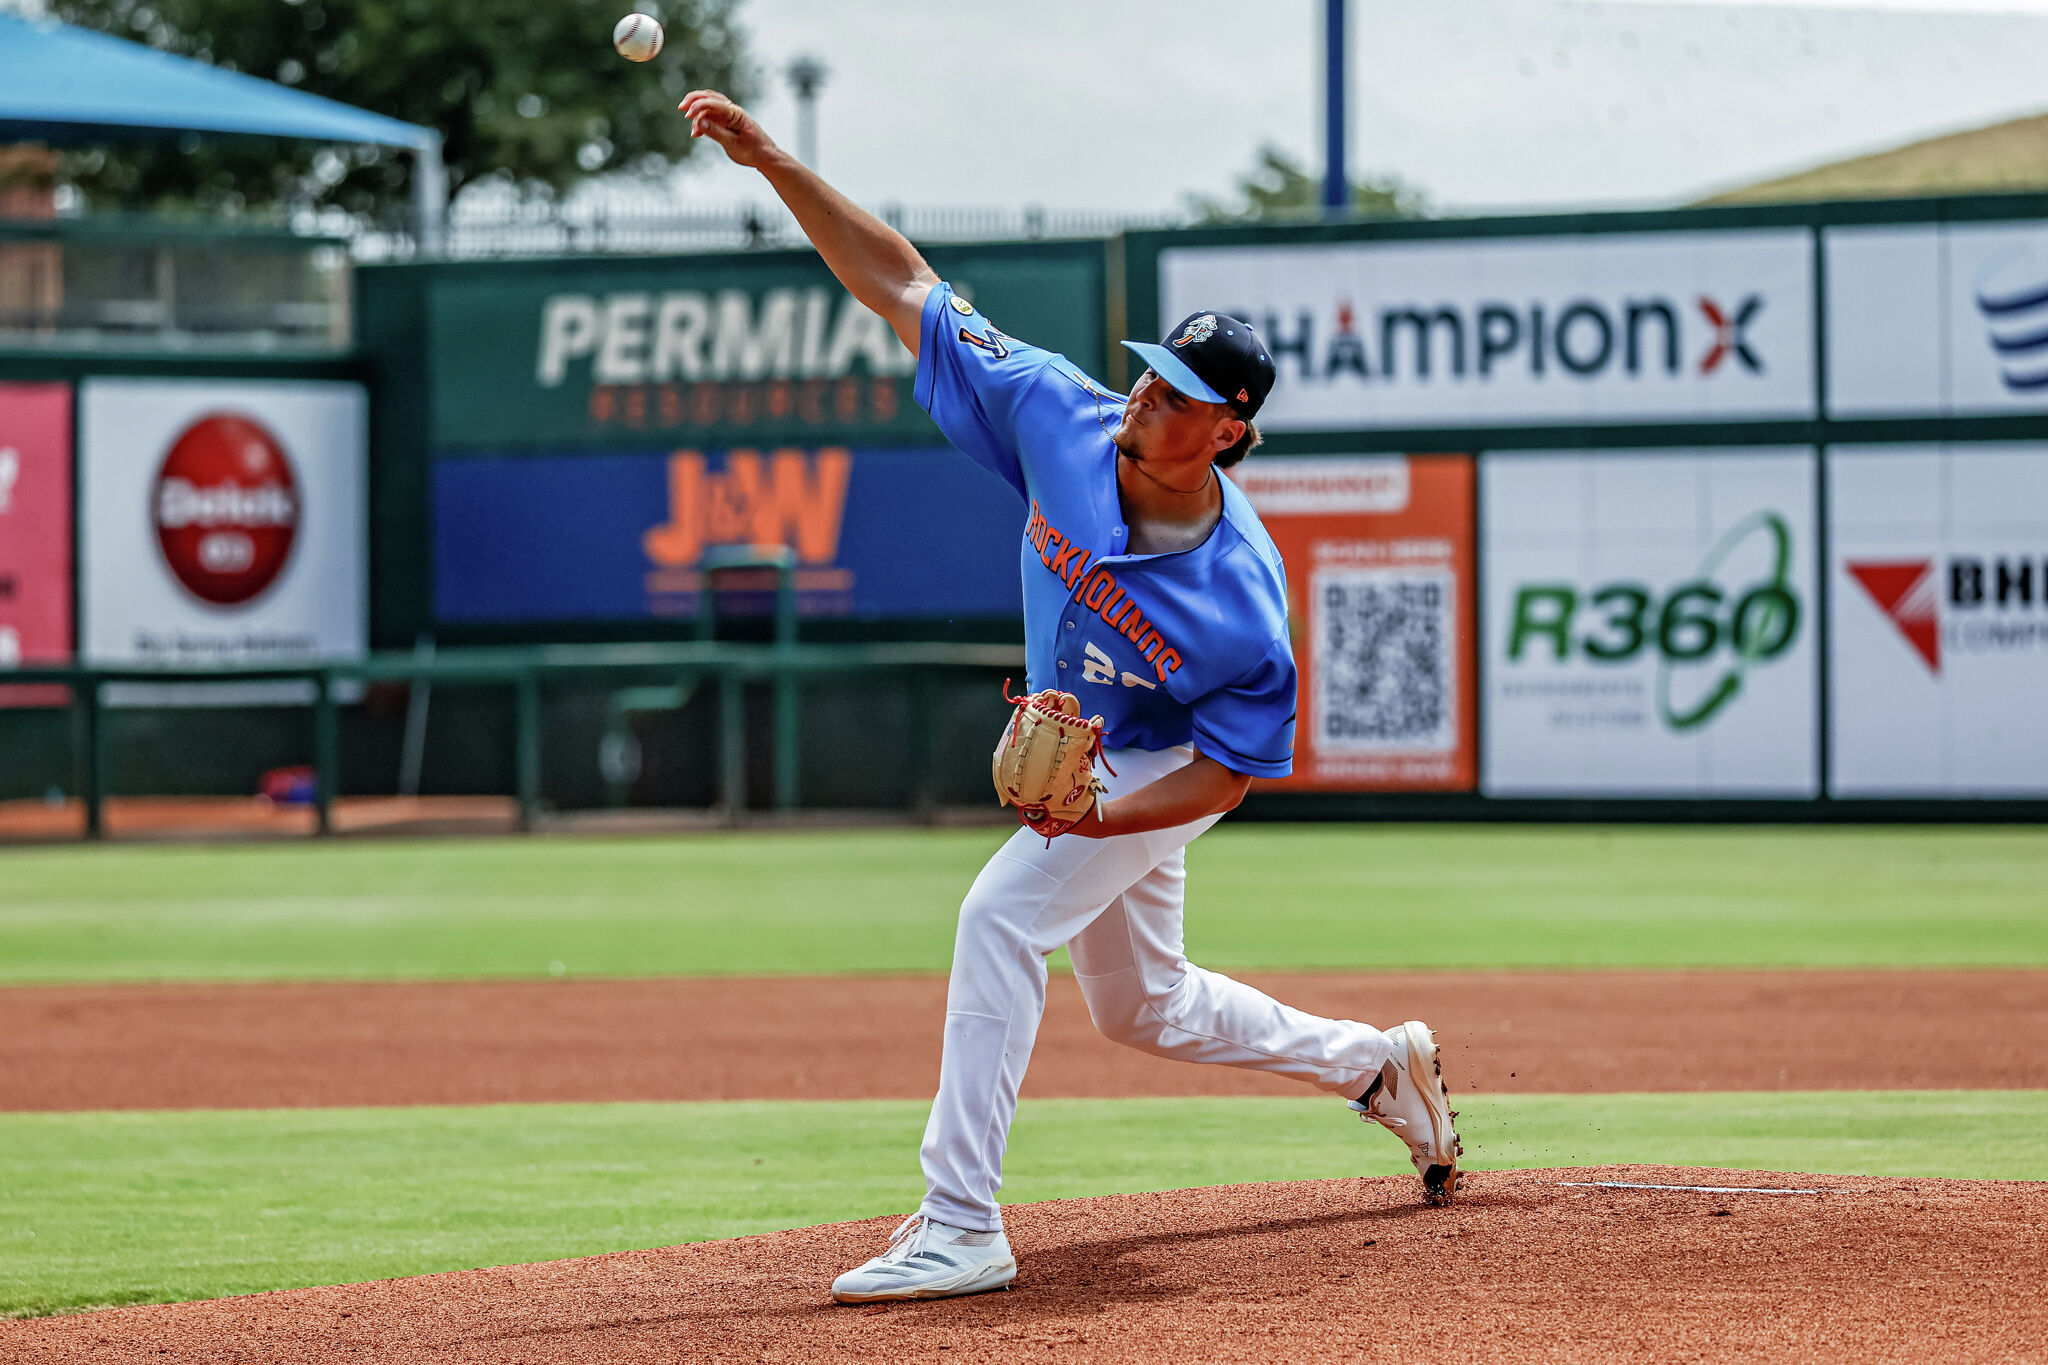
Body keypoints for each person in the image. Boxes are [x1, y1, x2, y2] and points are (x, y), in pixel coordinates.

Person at [678, 89, 1463, 1304]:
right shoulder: (1055, 410)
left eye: (1179, 393)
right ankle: (1374, 1066)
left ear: (1228, 431)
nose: (1145, 395)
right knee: (1143, 1006)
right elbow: (903, 286)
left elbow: (1228, 775)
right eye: (1150, 374)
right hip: (1087, 753)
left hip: (1155, 767)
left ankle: (959, 1224)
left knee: (997, 919)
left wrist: (1102, 819)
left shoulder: (1240, 601)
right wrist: (774, 160)